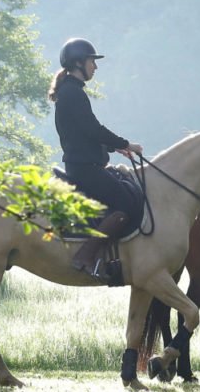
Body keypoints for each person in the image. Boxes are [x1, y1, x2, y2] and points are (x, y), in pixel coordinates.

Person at [50, 38, 143, 281]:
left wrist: (114, 149)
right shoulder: (73, 94)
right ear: (79, 63)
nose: (95, 67)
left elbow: (84, 134)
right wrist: (125, 144)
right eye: (92, 61)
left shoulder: (70, 91)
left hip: (84, 165)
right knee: (127, 205)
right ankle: (85, 255)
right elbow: (93, 129)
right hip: (85, 169)